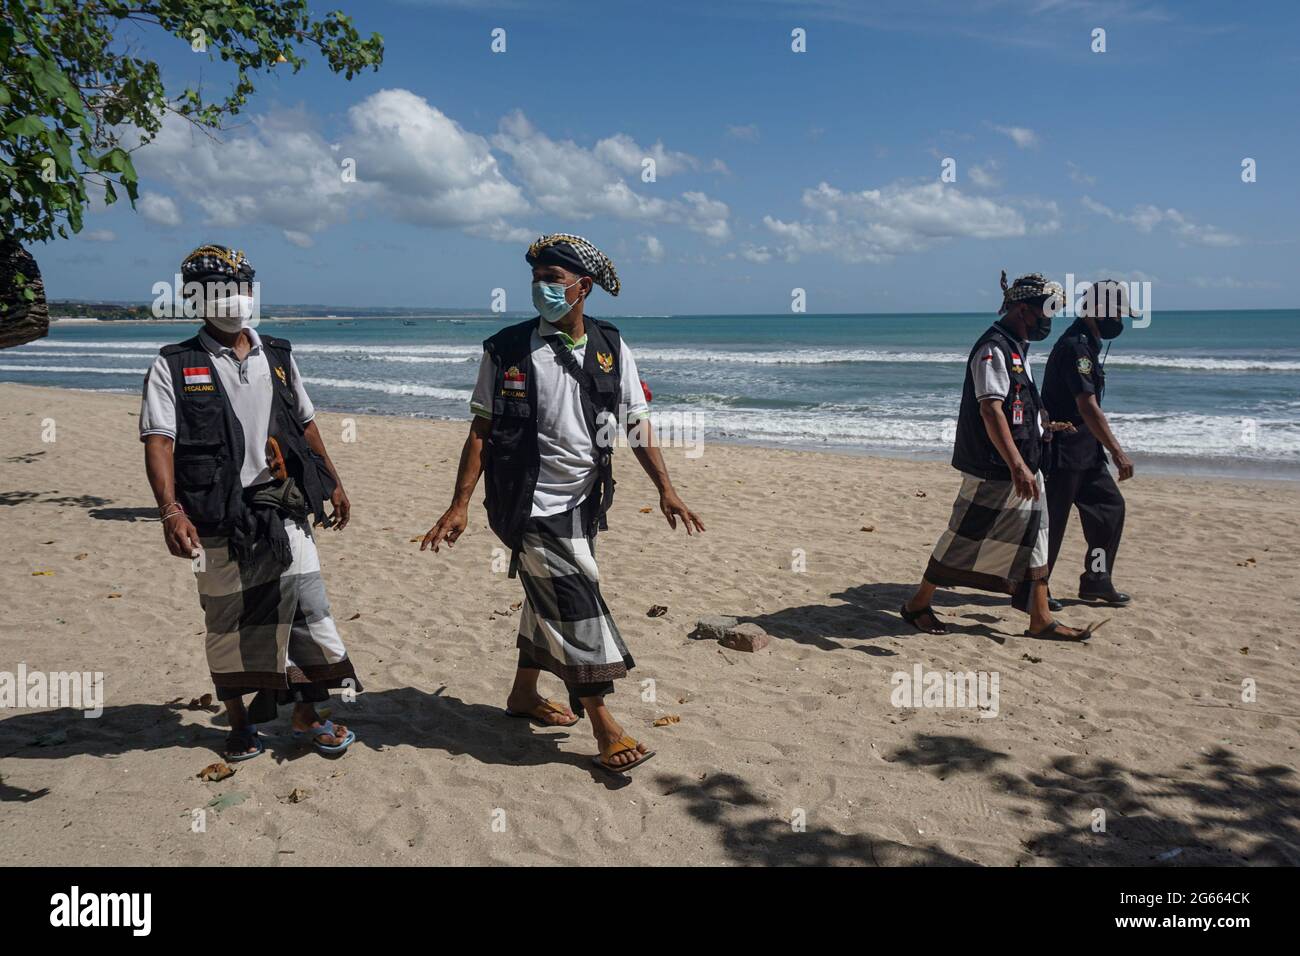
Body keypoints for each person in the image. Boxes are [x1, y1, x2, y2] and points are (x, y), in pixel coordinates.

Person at [420, 233, 704, 775]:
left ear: (583, 288)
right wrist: (458, 505)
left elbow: (635, 423)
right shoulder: (504, 349)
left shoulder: (611, 346)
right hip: (524, 505)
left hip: (585, 501)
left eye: (552, 280)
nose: (541, 289)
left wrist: (666, 489)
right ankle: (603, 722)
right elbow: (480, 430)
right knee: (576, 602)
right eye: (537, 280)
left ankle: (523, 693)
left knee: (544, 595)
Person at [140, 245, 359, 761]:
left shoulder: (278, 356)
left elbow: (305, 423)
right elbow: (159, 441)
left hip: (283, 505)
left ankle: (308, 712)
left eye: (241, 287)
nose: (234, 299)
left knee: (309, 611)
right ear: (195, 299)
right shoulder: (173, 365)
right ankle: (239, 724)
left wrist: (331, 481)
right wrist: (171, 511)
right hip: (217, 513)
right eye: (220, 290)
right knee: (228, 618)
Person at [901, 271, 1102, 641]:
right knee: (965, 534)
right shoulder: (993, 348)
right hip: (995, 468)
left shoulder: (1016, 347)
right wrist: (1017, 465)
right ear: (1022, 309)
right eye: (1045, 310)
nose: (1049, 319)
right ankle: (916, 604)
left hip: (1023, 464)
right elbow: (990, 411)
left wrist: (1044, 427)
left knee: (1037, 537)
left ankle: (1039, 618)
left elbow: (1015, 407)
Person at [1039, 279, 1136, 610]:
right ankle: (1035, 588)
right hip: (1063, 451)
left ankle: (1096, 579)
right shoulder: (1076, 347)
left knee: (1109, 511)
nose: (1120, 323)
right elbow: (1087, 406)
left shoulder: (1088, 344)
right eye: (1118, 315)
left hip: (1086, 451)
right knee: (1051, 523)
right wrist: (1118, 451)